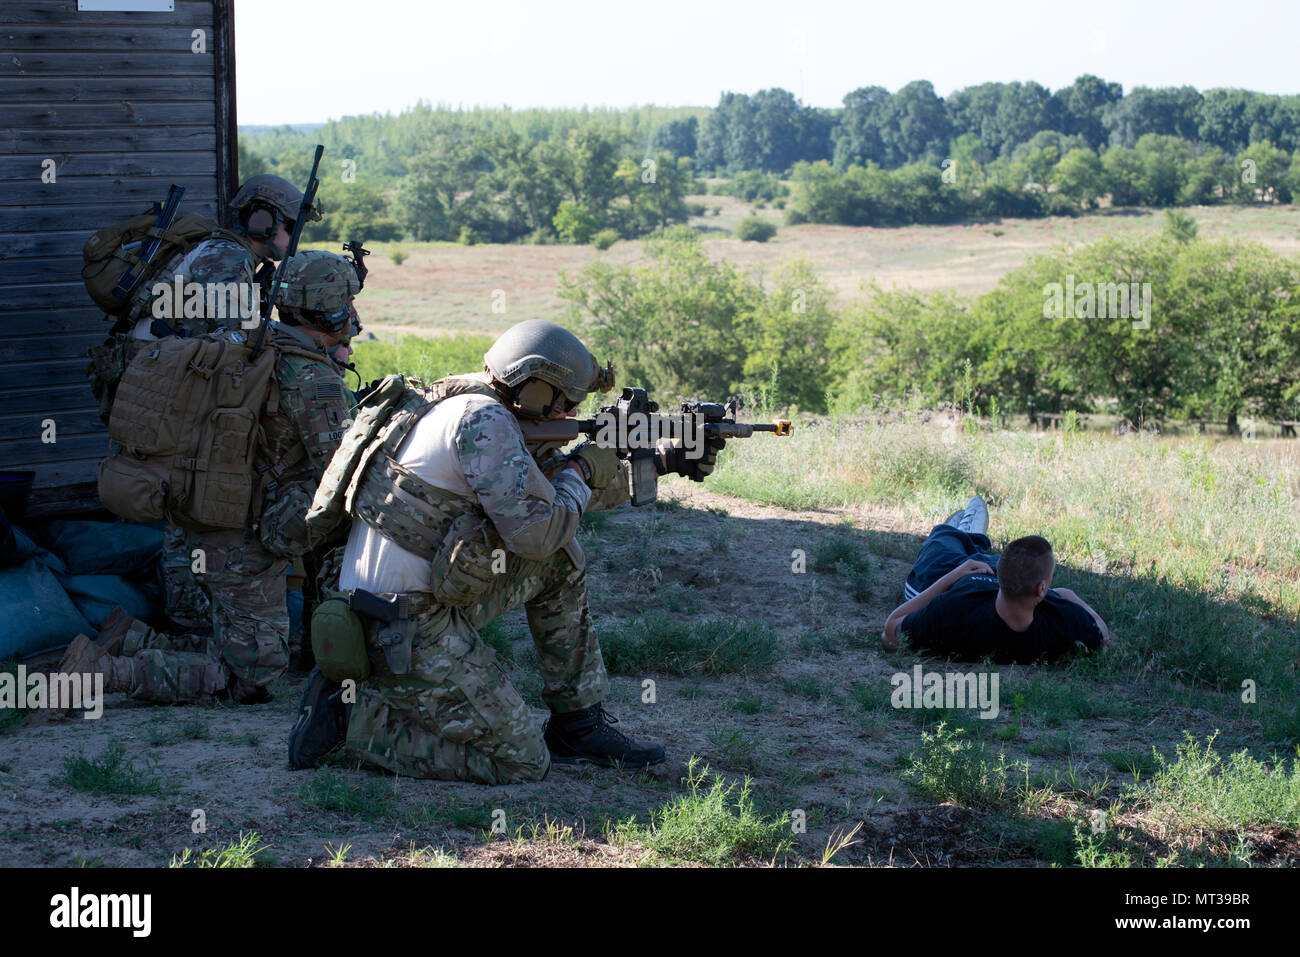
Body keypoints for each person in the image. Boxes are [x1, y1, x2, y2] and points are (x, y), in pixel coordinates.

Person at [287, 319, 726, 783]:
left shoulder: (456, 400)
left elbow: (540, 497)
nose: (569, 417)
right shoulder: (485, 421)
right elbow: (539, 527)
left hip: (403, 605)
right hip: (402, 626)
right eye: (568, 405)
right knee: (521, 761)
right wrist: (580, 467)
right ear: (537, 391)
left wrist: (661, 460)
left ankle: (577, 726)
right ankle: (354, 723)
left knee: (561, 561)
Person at [61, 251, 361, 704]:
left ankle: (132, 639)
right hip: (243, 541)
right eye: (348, 304)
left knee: (248, 645)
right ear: (330, 311)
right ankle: (107, 673)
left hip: (205, 517)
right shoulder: (314, 380)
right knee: (256, 678)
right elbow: (345, 471)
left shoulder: (249, 347)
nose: (355, 315)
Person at [88, 175, 323, 634]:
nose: (292, 237)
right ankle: (188, 622)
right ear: (261, 218)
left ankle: (189, 612)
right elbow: (234, 343)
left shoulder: (232, 257)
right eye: (289, 225)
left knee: (184, 496)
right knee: (183, 497)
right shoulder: (225, 258)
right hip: (170, 397)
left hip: (173, 388)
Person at [882, 496, 1109, 664]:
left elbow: (890, 634)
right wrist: (1061, 595)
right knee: (989, 551)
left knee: (942, 539)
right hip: (995, 569)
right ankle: (974, 536)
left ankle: (963, 531)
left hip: (951, 574)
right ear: (1041, 589)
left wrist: (955, 574)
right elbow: (1101, 631)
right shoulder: (1061, 624)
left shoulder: (951, 610)